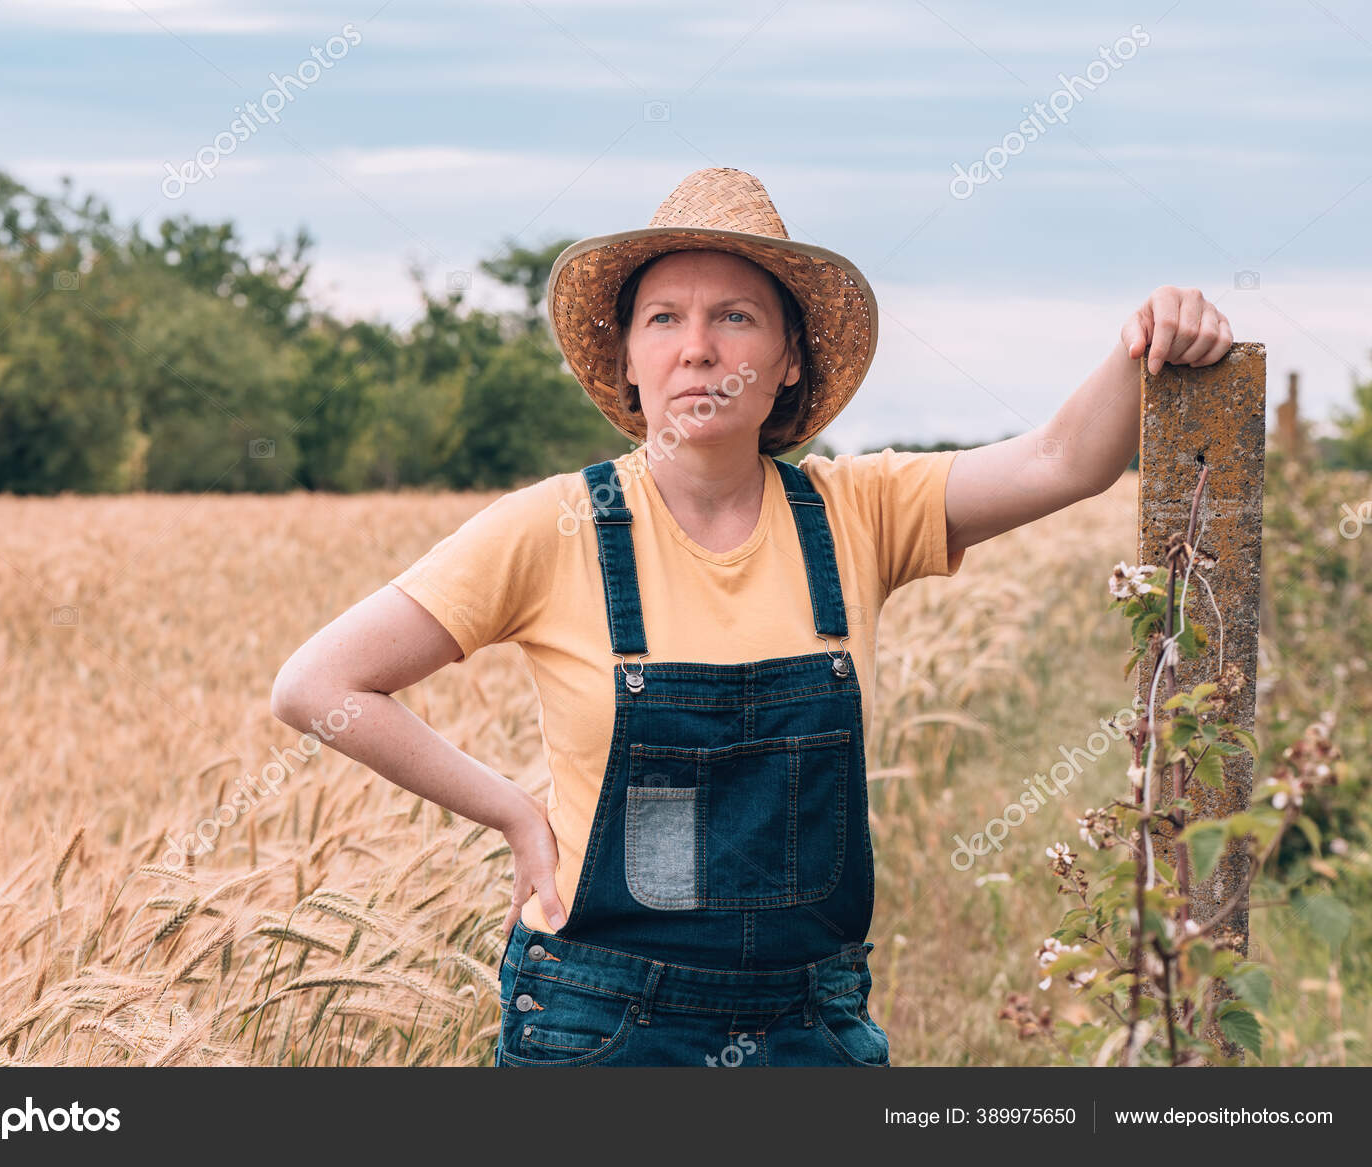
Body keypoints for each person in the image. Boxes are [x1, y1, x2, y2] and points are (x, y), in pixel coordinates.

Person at [270, 167, 1234, 1066]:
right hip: (599, 1023)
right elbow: (318, 685)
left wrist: (1145, 337)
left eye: (736, 317)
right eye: (664, 319)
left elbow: (1064, 460)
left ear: (786, 362)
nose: (699, 347)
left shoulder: (861, 512)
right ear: (630, 360)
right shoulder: (551, 528)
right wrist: (515, 814)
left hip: (808, 1021)